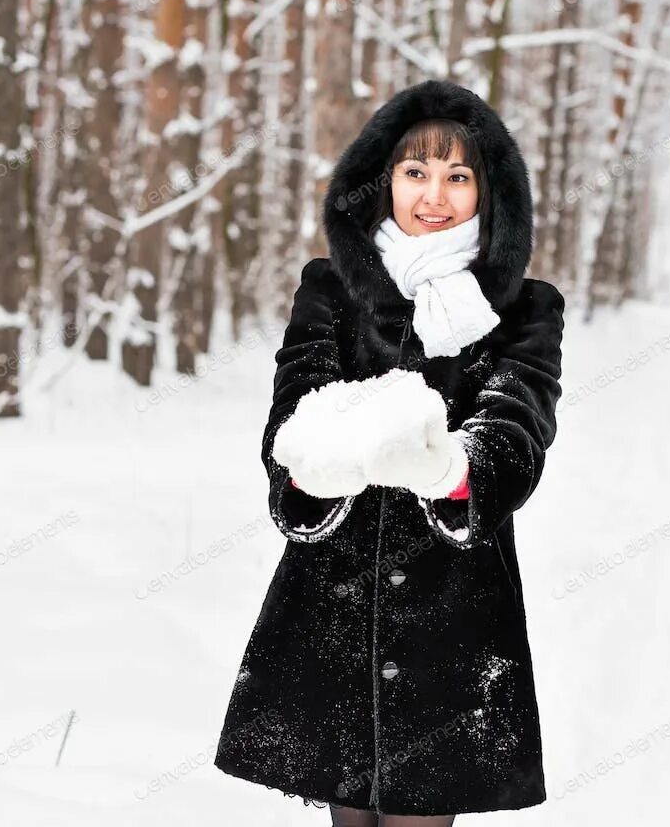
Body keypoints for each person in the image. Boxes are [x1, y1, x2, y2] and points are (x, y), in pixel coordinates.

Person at [214, 79, 566, 826]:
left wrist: (451, 468)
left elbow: (518, 425)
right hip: (332, 620)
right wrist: (320, 457)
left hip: (453, 627)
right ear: (381, 182)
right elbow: (294, 416)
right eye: (415, 171)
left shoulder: (523, 310)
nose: (434, 195)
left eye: (458, 175)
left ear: (489, 191)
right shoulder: (331, 294)